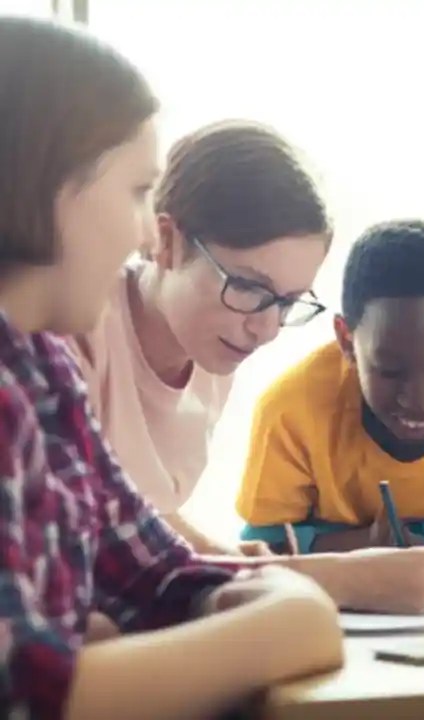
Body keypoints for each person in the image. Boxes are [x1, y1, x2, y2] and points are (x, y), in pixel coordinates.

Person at [0, 17, 342, 718]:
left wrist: (274, 605)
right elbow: (24, 691)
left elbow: (155, 572)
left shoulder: (40, 366)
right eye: (136, 192)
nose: (141, 232)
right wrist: (284, 621)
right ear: (43, 184)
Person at [68, 118, 330, 556]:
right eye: (247, 287)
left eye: (288, 302)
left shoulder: (213, 352)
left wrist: (222, 558)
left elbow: (147, 516)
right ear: (166, 241)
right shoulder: (75, 326)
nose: (267, 329)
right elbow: (96, 521)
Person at [236, 219, 424, 579]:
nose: (418, 400)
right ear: (346, 340)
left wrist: (407, 544)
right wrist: (371, 544)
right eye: (390, 371)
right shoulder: (291, 409)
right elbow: (261, 548)